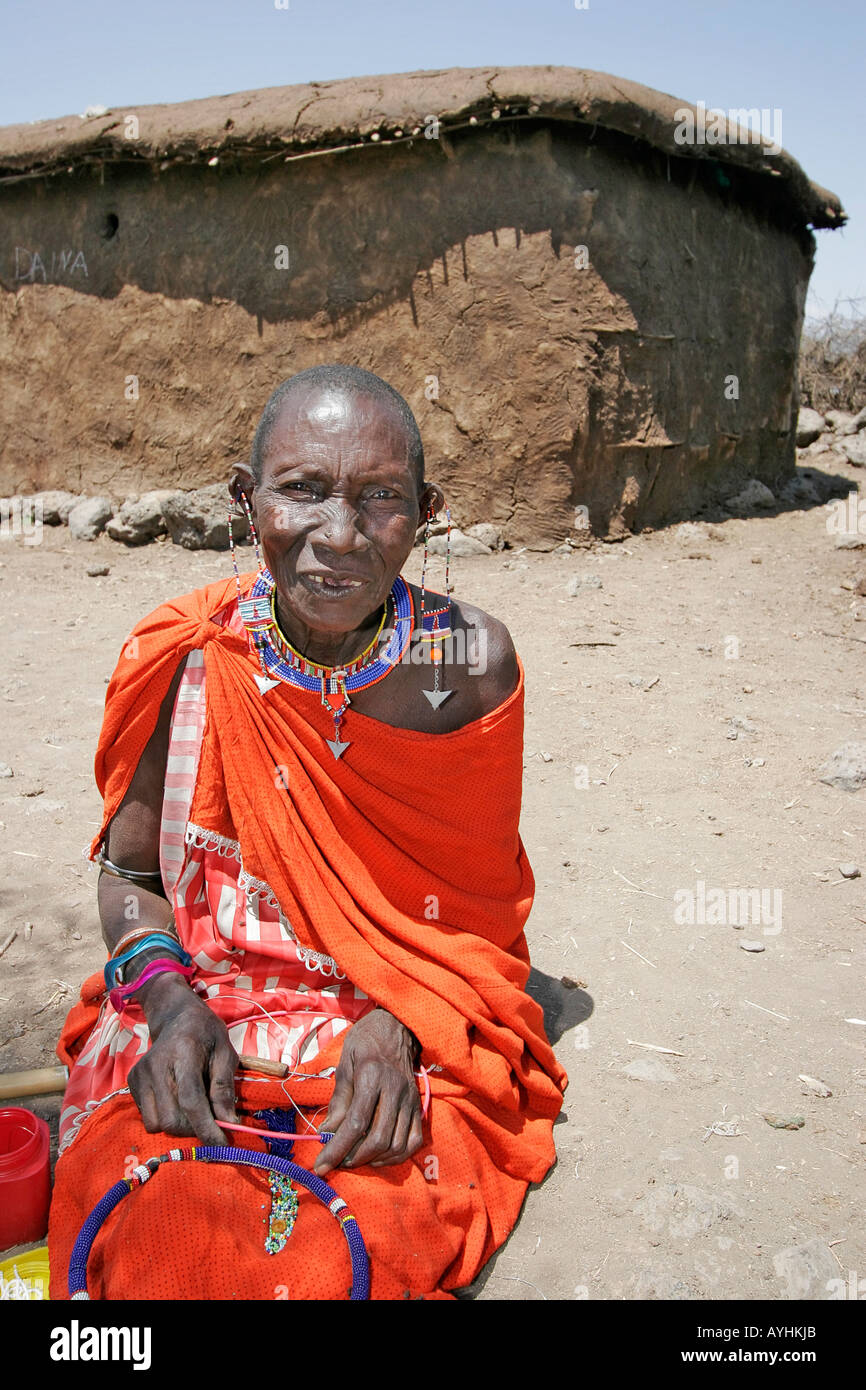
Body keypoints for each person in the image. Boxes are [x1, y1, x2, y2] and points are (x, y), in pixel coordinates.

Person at [48, 364, 567, 1300]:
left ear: (427, 513)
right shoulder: (189, 656)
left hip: (390, 1016)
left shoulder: (469, 666)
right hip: (201, 1007)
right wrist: (168, 1008)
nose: (340, 535)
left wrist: (402, 1024)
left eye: (381, 500)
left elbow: (480, 917)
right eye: (303, 491)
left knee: (367, 1238)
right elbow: (130, 874)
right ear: (246, 501)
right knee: (148, 1226)